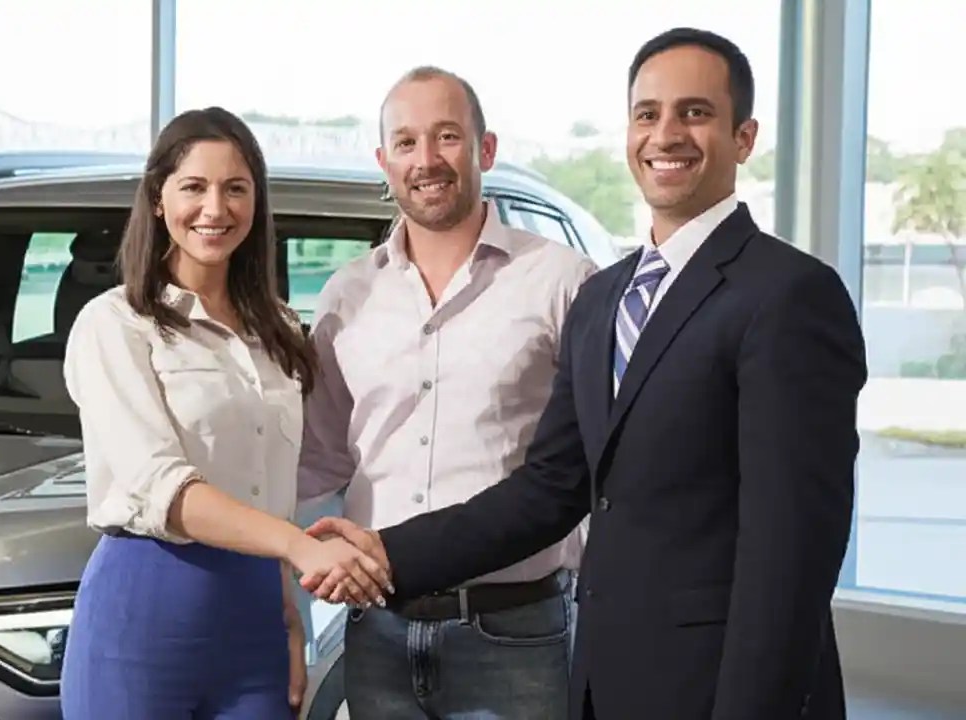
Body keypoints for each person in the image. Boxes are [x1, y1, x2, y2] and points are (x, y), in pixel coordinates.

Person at [304, 28, 868, 720]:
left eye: (695, 113)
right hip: (608, 676)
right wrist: (387, 553)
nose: (666, 134)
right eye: (647, 114)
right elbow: (552, 489)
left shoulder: (789, 294)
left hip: (721, 687)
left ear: (743, 138)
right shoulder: (608, 297)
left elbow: (793, 554)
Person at [58, 106, 390, 720]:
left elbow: (273, 489)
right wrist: (299, 549)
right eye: (194, 187)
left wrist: (288, 610)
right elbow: (164, 487)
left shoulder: (282, 332)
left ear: (256, 203)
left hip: (256, 624)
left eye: (236, 189)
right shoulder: (116, 324)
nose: (215, 209)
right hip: (143, 619)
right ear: (158, 199)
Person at [296, 66, 598, 719]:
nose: (426, 160)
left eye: (447, 138)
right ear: (384, 161)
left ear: (485, 149)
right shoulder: (348, 296)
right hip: (377, 632)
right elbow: (315, 463)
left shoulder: (559, 281)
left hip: (516, 630)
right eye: (405, 143)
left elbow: (596, 464)